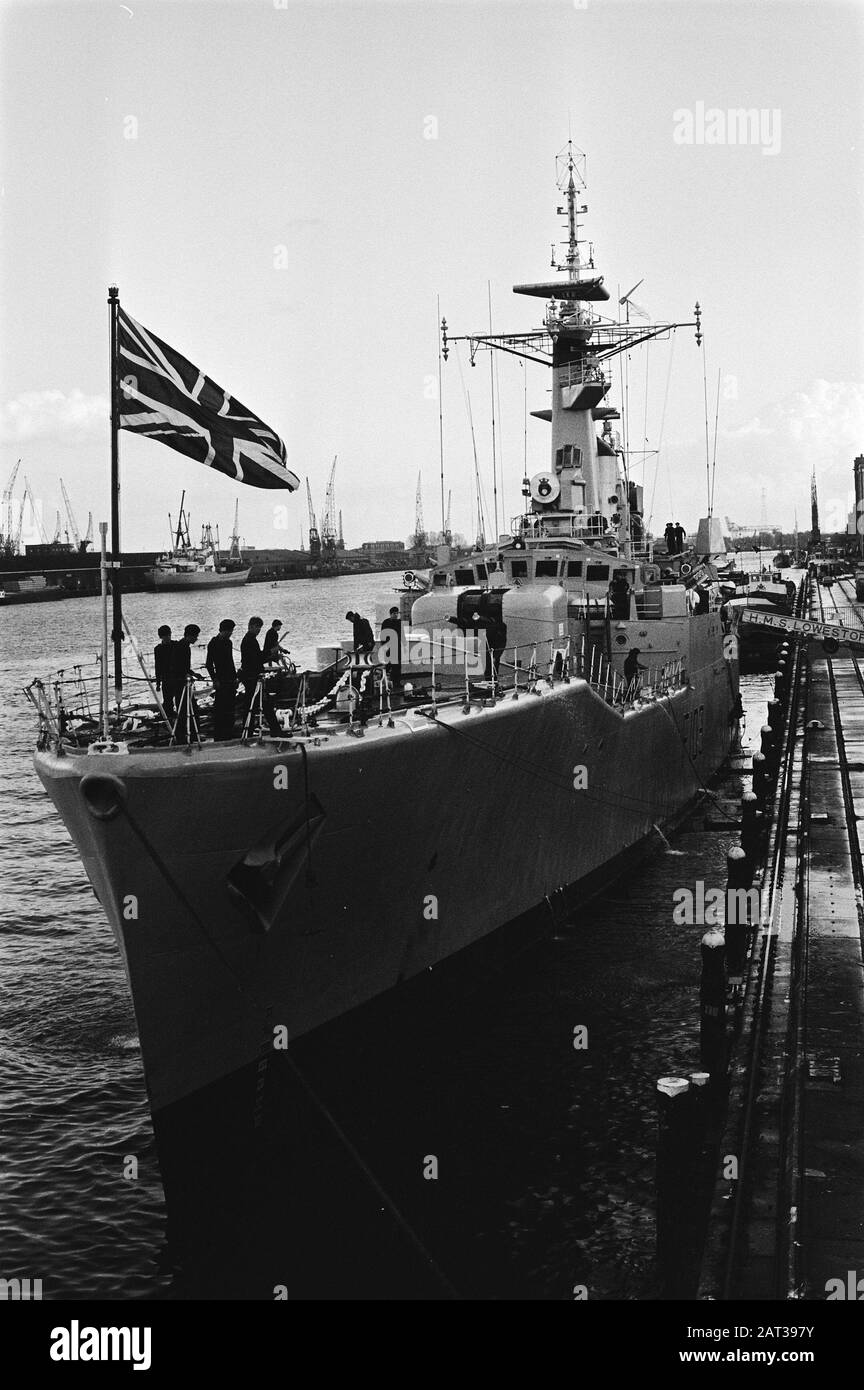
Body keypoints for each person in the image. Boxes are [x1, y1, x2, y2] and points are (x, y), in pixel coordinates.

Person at [240, 616, 280, 737]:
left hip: (251, 676)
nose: (258, 630)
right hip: (252, 677)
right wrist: (270, 652)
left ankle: (249, 731)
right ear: (251, 626)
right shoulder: (249, 640)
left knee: (252, 705)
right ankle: (274, 731)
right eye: (257, 628)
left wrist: (268, 655)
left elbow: (256, 658)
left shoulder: (250, 640)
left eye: (260, 628)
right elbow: (256, 659)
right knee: (261, 705)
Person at [167, 623, 202, 741]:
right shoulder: (181, 647)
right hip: (180, 684)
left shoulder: (184, 646)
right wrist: (187, 675)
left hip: (182, 682)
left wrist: (193, 674)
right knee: (184, 710)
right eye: (195, 636)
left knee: (189, 709)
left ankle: (190, 735)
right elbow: (177, 667)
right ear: (189, 636)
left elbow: (183, 667)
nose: (196, 638)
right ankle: (183, 736)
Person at [206, 619, 237, 741]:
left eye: (231, 631)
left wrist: (235, 678)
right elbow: (209, 664)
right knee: (220, 708)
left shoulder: (228, 643)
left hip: (230, 678)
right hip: (220, 679)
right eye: (229, 631)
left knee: (230, 707)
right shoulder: (213, 643)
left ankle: (229, 732)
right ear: (223, 630)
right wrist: (214, 679)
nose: (230, 633)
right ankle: (219, 734)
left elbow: (230, 661)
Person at [153, 625, 176, 720]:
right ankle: (167, 717)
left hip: (176, 675)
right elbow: (157, 666)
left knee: (178, 697)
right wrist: (158, 683)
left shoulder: (176, 645)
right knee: (167, 699)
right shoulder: (158, 649)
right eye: (165, 636)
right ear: (161, 637)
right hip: (166, 677)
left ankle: (174, 715)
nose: (167, 637)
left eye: (168, 635)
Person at [379, 606, 402, 684]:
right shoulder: (386, 623)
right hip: (388, 647)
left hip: (397, 647)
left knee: (397, 666)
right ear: (390, 614)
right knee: (389, 665)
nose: (396, 615)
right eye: (394, 613)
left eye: (397, 613)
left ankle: (397, 682)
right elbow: (383, 636)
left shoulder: (399, 622)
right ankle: (386, 681)